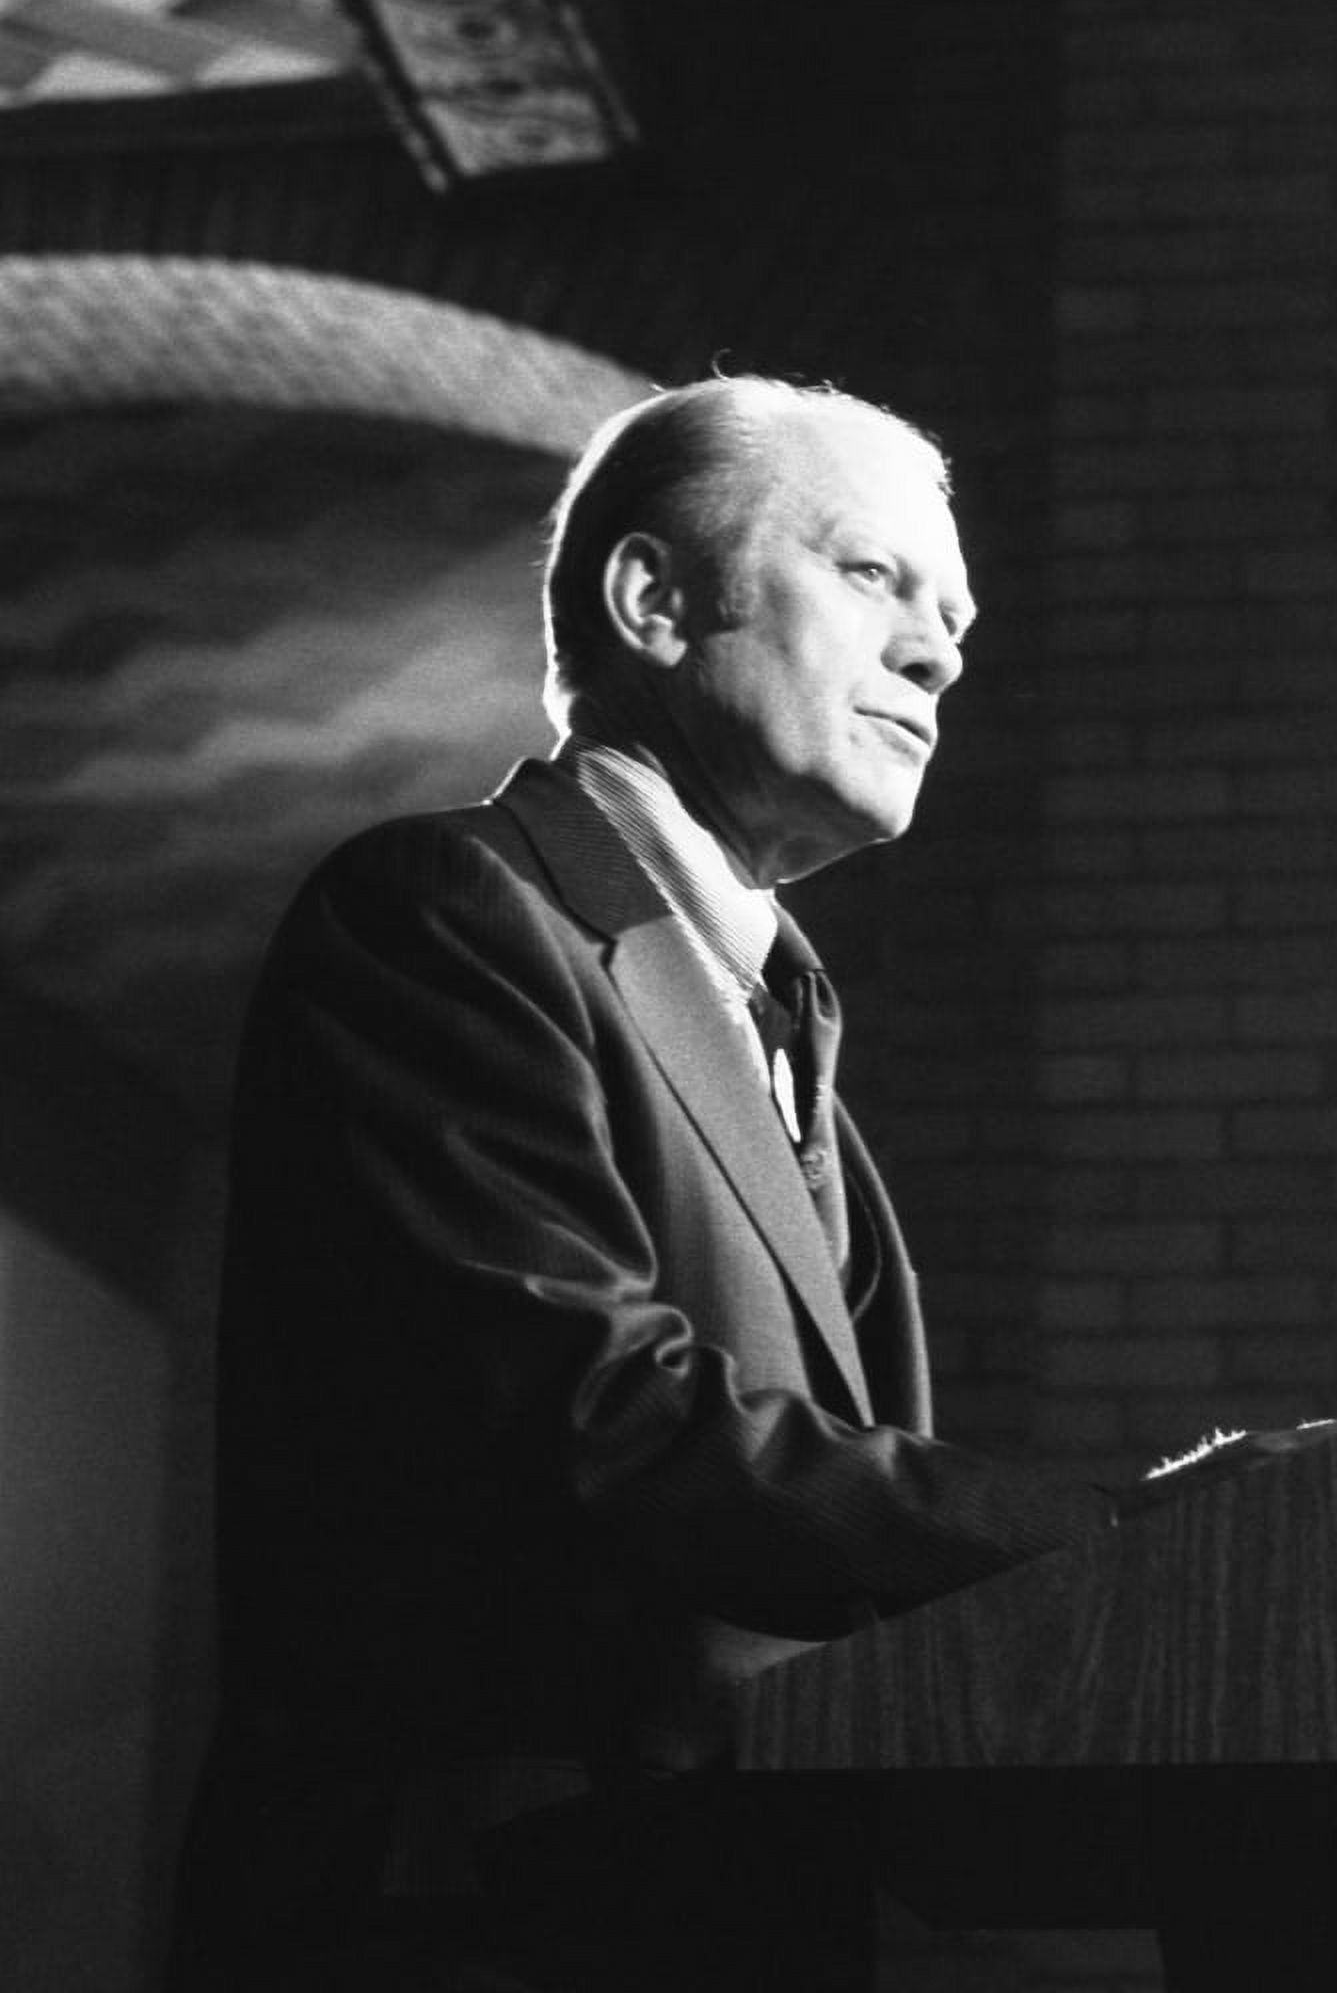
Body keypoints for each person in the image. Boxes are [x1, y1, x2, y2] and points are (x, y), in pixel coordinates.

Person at [166, 376, 1119, 1992]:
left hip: (716, 1916)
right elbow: (590, 1421)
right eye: (874, 576)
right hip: (474, 1925)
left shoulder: (786, 1029)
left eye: (956, 617)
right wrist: (1112, 1533)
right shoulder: (447, 913)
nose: (942, 654)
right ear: (655, 602)